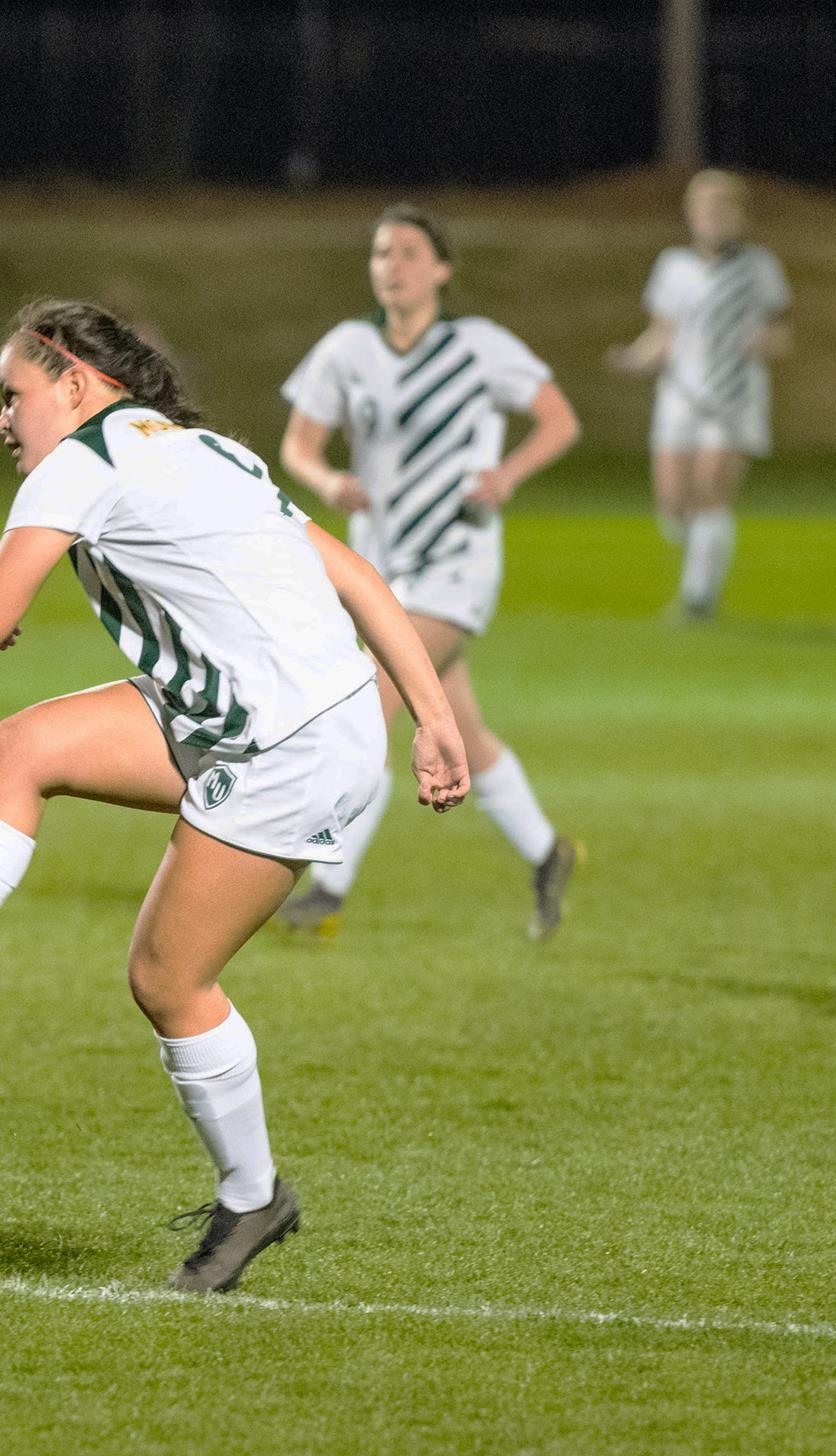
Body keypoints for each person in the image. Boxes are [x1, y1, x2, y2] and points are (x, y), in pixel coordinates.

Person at [0, 300, 471, 1292]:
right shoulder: (204, 448)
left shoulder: (78, 464)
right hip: (286, 713)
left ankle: (253, 1198)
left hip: (288, 746)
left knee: (167, 981)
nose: (2, 419)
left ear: (74, 384)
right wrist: (432, 716)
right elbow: (356, 575)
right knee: (21, 749)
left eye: (11, 395)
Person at [272, 204, 582, 942]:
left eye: (410, 252)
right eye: (382, 252)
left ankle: (327, 887)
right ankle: (548, 854)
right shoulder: (347, 348)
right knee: (461, 729)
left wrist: (507, 475)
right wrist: (329, 479)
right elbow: (298, 445)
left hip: (456, 561)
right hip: (379, 568)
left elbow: (560, 420)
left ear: (442, 269)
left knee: (368, 703)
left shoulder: (479, 347)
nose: (394, 265)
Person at [608, 169, 791, 621]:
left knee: (710, 490)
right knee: (673, 503)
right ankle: (701, 563)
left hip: (734, 393)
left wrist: (764, 343)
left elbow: (782, 332)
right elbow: (662, 333)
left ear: (740, 214)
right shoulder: (673, 266)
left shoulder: (758, 267)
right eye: (703, 207)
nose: (711, 215)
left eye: (721, 207)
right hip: (680, 395)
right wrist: (634, 359)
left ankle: (698, 597)